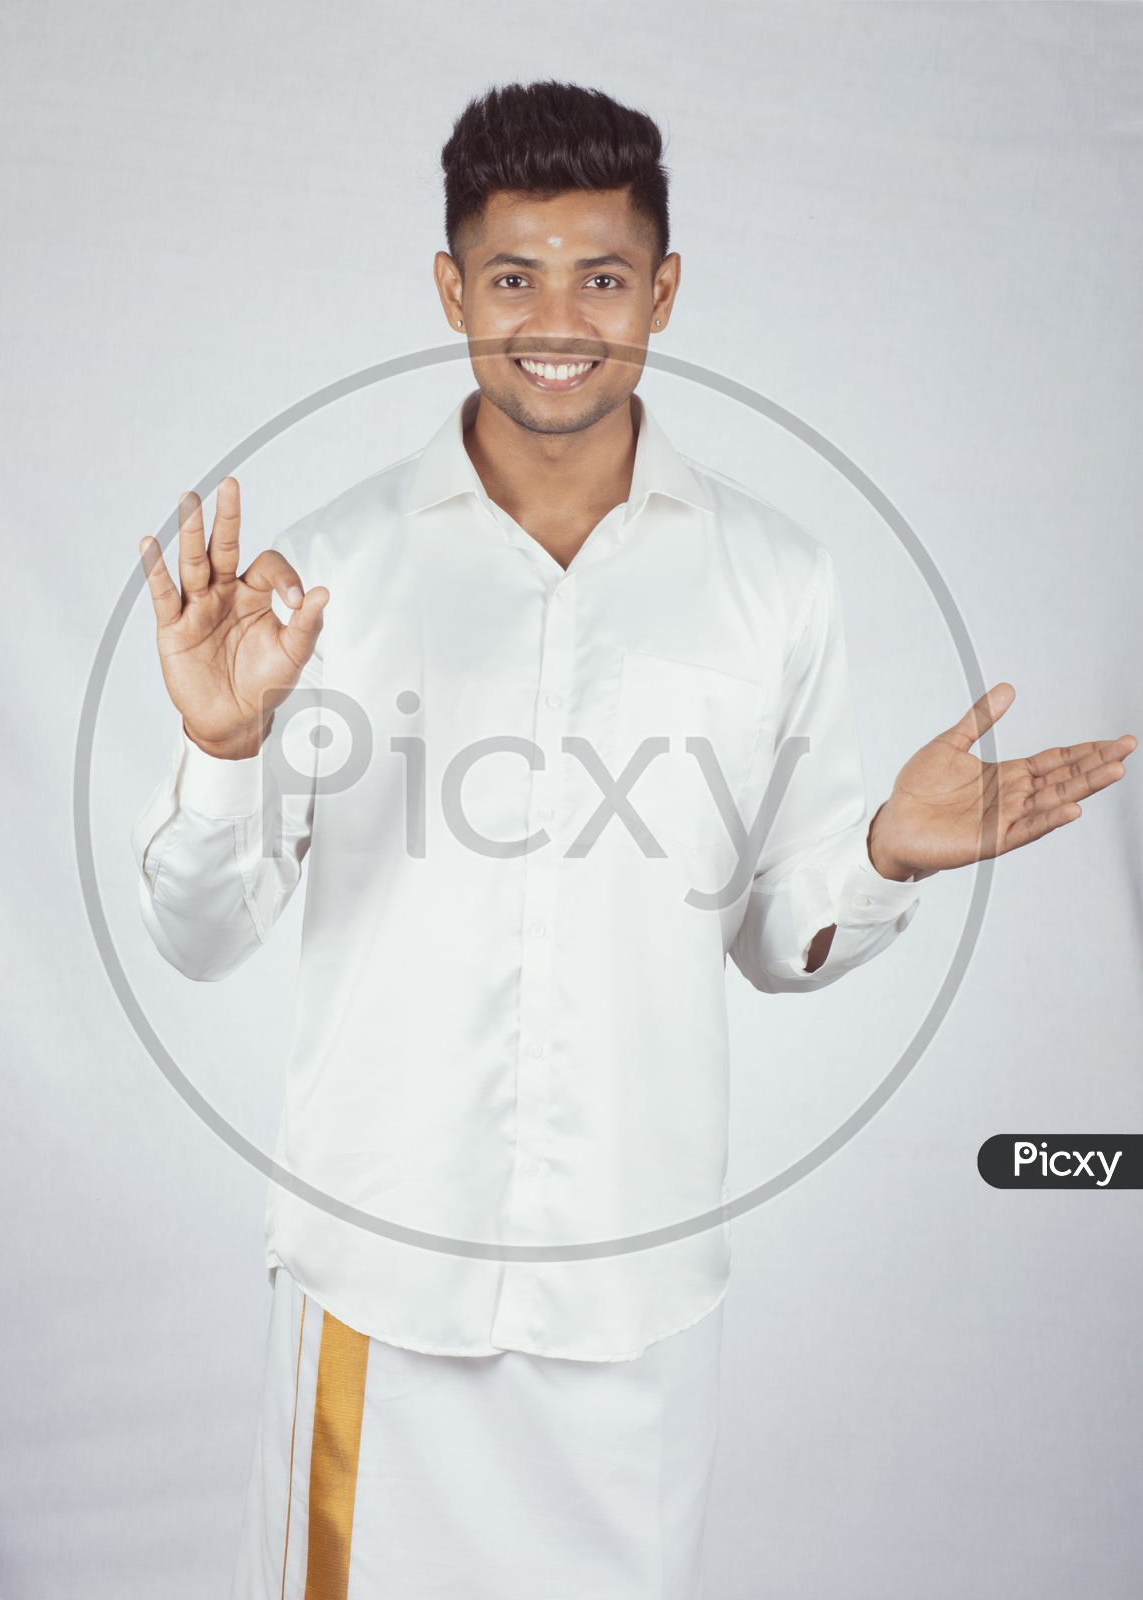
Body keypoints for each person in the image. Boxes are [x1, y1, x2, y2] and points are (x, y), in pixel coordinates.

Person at [132, 81, 1134, 1600]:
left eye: (601, 276)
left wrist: (879, 853)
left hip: (634, 1291)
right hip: (378, 1285)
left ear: (661, 291)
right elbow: (200, 936)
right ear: (449, 288)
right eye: (513, 275)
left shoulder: (776, 580)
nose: (558, 318)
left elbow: (775, 935)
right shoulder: (323, 573)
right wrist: (221, 744)